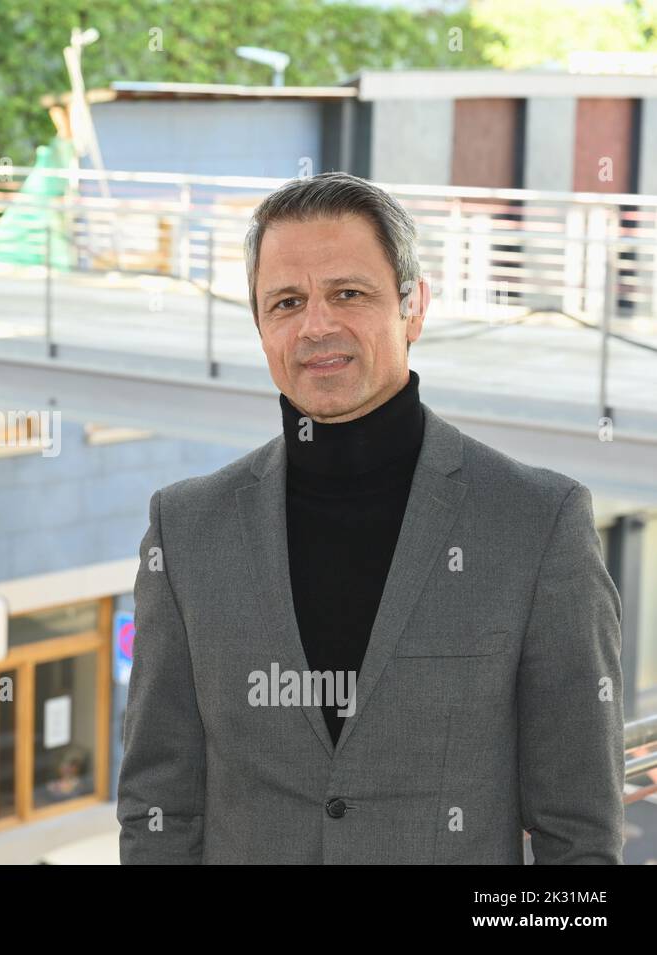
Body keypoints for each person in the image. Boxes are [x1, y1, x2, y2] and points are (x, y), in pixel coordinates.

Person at [117, 171, 624, 864]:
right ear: (262, 327)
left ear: (414, 308)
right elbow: (158, 804)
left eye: (348, 293)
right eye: (286, 301)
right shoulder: (185, 530)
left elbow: (581, 834)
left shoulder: (537, 524)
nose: (317, 325)